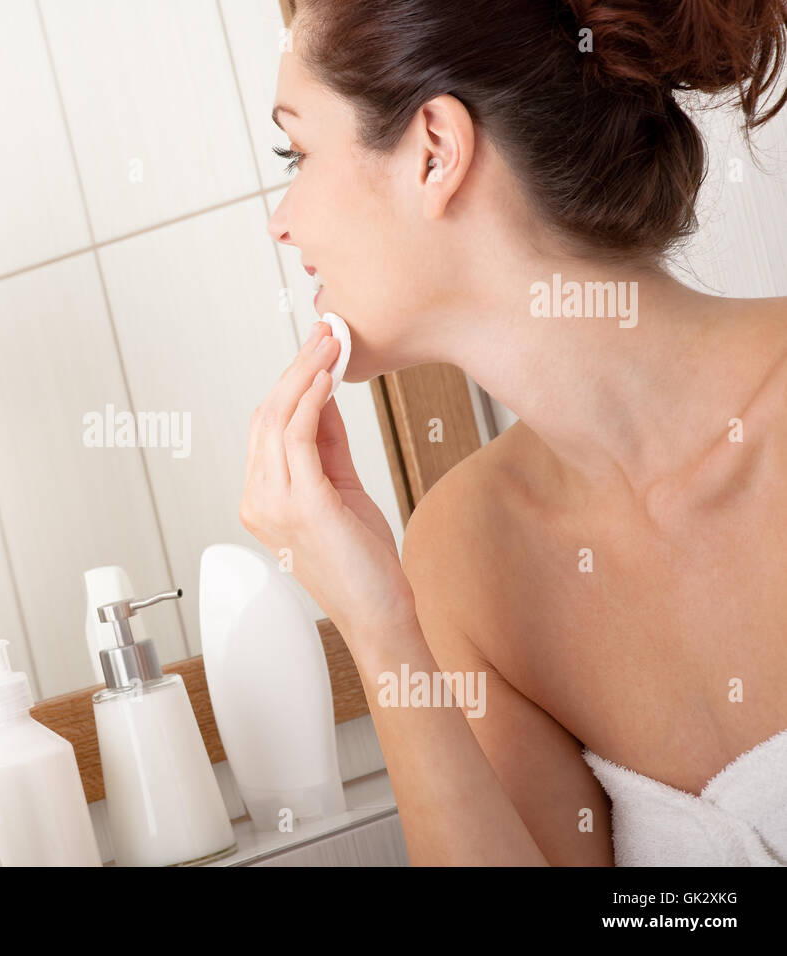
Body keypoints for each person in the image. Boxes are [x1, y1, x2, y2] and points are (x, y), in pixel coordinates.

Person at [244, 0, 787, 864]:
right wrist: (378, 628)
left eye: (296, 154)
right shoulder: (465, 555)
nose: (280, 222)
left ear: (434, 151)